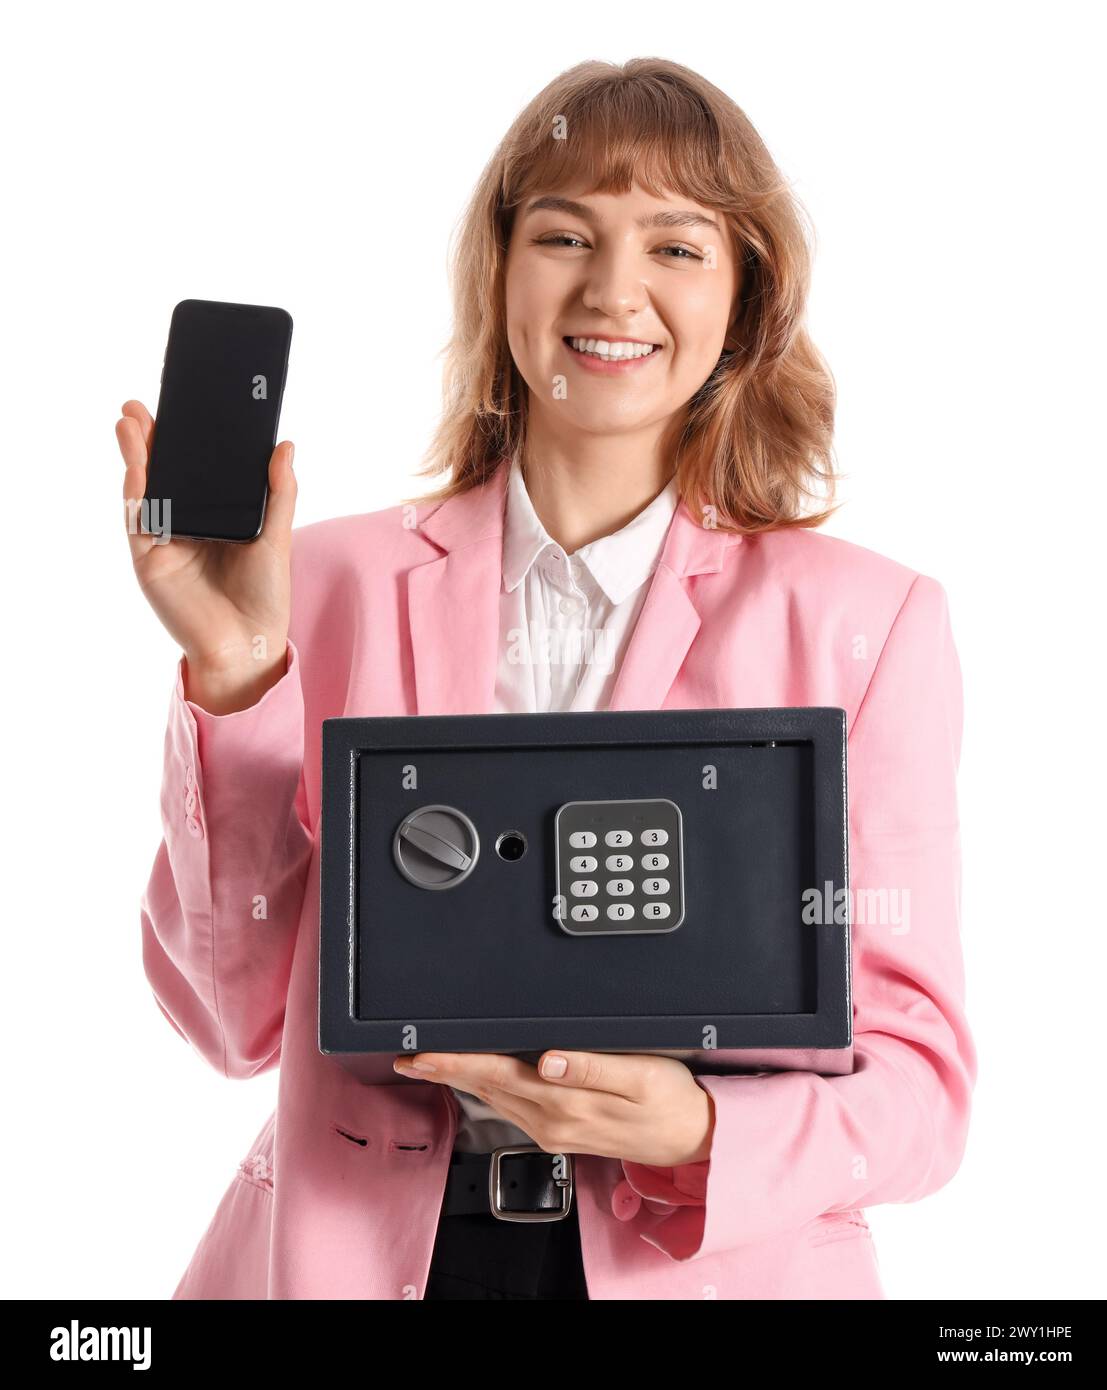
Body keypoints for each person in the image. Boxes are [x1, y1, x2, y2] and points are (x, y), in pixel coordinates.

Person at [117, 56, 975, 1300]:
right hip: (365, 1258)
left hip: (704, 1260)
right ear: (501, 271)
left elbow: (923, 1081)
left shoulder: (868, 620)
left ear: (745, 299)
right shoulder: (322, 584)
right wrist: (240, 672)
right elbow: (228, 1021)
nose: (614, 290)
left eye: (676, 246)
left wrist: (696, 1131)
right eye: (565, 233)